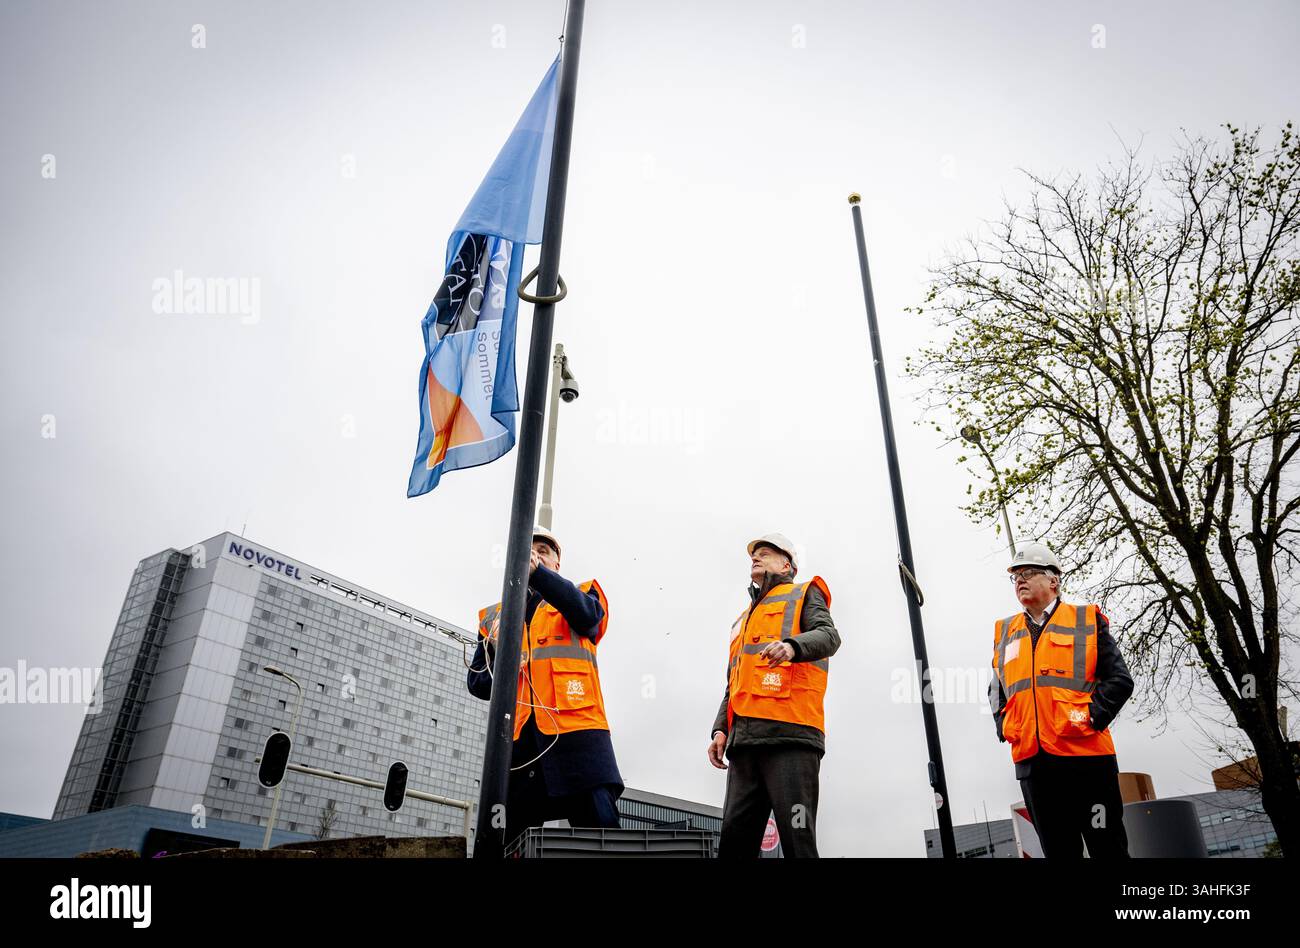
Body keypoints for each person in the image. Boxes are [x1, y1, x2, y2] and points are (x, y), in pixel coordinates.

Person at [467, 526, 622, 851]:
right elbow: (478, 683)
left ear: (557, 563)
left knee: (604, 843)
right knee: (498, 844)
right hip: (520, 752)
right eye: (529, 550)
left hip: (580, 745)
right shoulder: (494, 618)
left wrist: (536, 575)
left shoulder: (583, 594)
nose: (535, 554)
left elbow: (589, 618)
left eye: (544, 550)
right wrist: (497, 649)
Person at [989, 542, 1134, 858]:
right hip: (1034, 765)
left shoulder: (1086, 620)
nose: (1020, 581)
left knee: (1107, 848)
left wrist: (1088, 718)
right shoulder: (1005, 631)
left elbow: (1120, 681)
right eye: (1015, 576)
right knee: (1059, 852)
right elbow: (997, 690)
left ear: (1053, 580)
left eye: (1028, 573)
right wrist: (1006, 724)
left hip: (1087, 761)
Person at [707, 533, 840, 857]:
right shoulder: (743, 619)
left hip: (791, 739)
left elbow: (829, 636)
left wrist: (793, 646)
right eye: (754, 554)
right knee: (734, 845)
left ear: (786, 564)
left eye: (765, 553)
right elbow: (734, 681)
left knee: (798, 840)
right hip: (745, 744)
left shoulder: (803, 594)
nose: (755, 557)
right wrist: (720, 728)